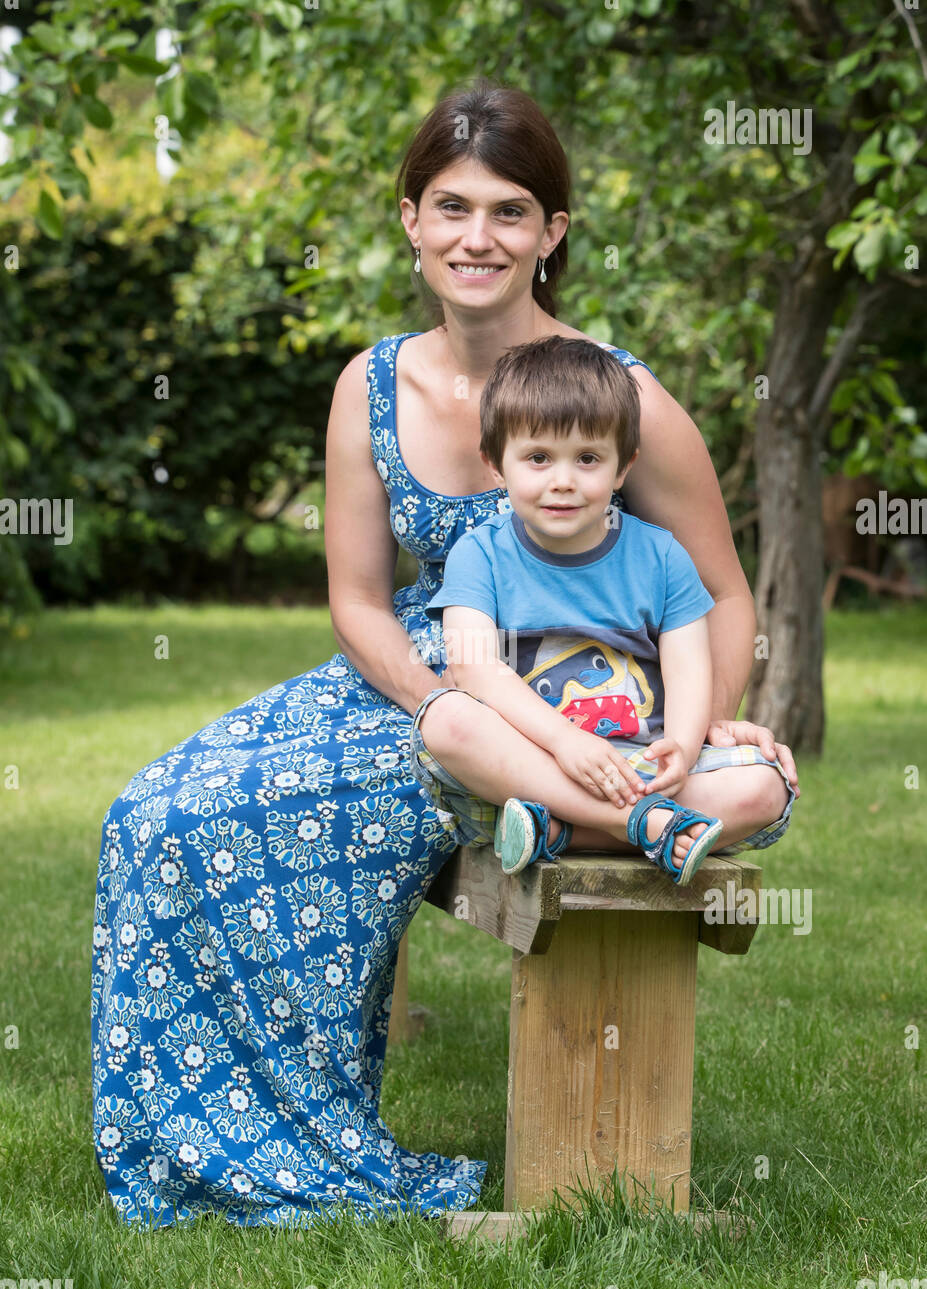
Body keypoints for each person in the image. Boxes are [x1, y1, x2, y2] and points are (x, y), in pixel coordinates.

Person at [91, 77, 799, 1229]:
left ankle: (299, 1140)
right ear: (412, 219)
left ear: (551, 232)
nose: (480, 237)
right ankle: (222, 1141)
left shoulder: (617, 394)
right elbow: (361, 605)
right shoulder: (370, 386)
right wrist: (434, 704)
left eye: (511, 211)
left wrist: (705, 716)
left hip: (590, 691)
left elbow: (718, 590)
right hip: (422, 690)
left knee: (228, 822)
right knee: (154, 812)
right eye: (453, 206)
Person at [410, 336, 794, 884]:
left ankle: (571, 832)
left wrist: (682, 749)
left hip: (640, 765)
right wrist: (566, 742)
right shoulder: (481, 554)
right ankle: (650, 826)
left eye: (587, 458)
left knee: (765, 785)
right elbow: (474, 670)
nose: (563, 480)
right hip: (533, 765)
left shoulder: (660, 556)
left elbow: (688, 664)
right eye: (538, 458)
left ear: (622, 467)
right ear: (496, 465)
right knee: (445, 718)